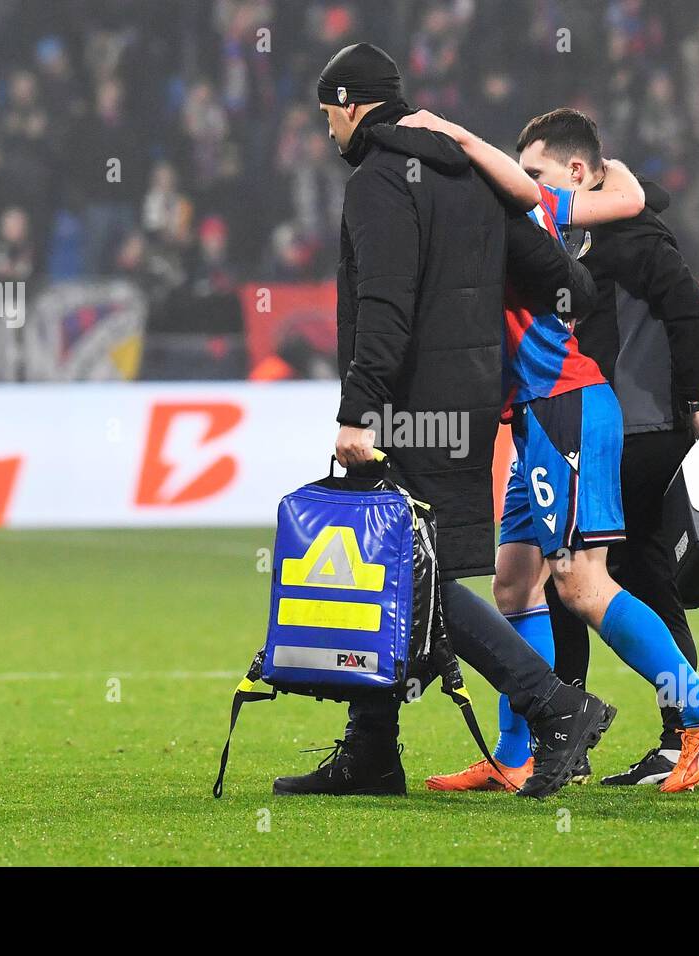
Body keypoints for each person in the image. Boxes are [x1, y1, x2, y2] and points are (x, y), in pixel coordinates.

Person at [271, 43, 615, 800]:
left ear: (352, 105)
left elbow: (385, 309)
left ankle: (556, 705)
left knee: (406, 575)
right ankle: (372, 750)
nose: (327, 128)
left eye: (328, 112)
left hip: (406, 405)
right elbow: (569, 282)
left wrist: (358, 412)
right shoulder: (471, 181)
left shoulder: (378, 184)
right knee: (399, 568)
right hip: (468, 406)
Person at [402, 108, 699, 795]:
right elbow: (633, 194)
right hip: (535, 418)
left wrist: (456, 132)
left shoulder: (502, 211)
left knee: (582, 584)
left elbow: (631, 203)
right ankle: (517, 751)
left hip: (566, 404)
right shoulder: (526, 209)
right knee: (513, 581)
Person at [516, 108, 699, 787]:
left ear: (577, 174)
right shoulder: (581, 239)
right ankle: (567, 735)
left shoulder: (630, 238)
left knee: (635, 580)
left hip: (642, 430)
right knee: (564, 582)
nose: (528, 189)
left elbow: (695, 311)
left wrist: (689, 405)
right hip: (607, 430)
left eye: (537, 175)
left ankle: (684, 731)